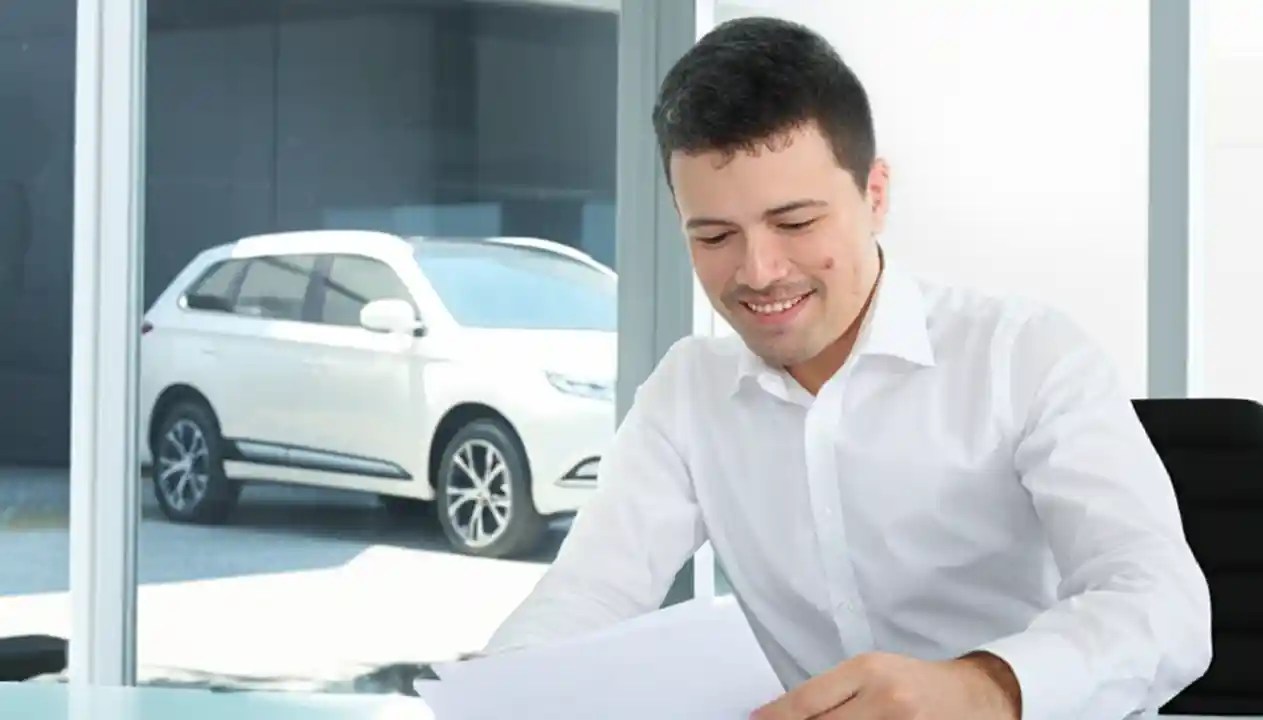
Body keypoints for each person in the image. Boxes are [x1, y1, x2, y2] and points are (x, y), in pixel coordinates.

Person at [484, 16, 1211, 720]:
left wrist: (984, 689)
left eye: (796, 223)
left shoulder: (1024, 355)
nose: (759, 270)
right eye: (714, 236)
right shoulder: (688, 392)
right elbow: (588, 596)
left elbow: (1163, 605)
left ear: (875, 195)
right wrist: (499, 694)